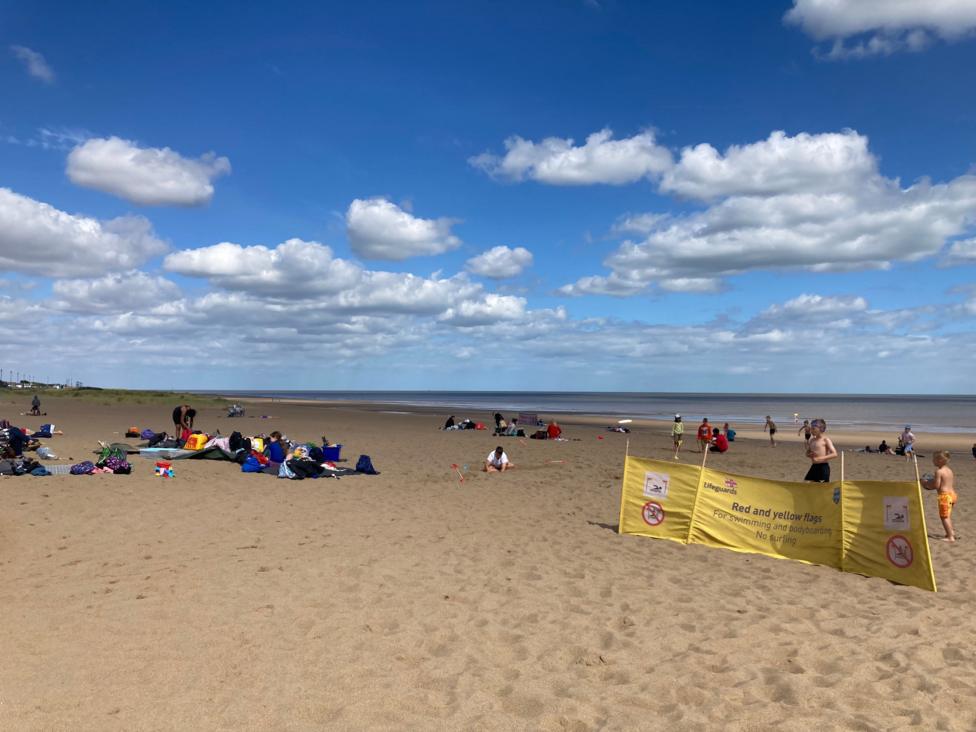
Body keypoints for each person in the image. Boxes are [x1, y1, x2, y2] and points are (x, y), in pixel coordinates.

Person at [922, 451, 957, 542]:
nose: (933, 460)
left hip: (945, 496)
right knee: (947, 515)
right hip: (953, 495)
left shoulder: (939, 471)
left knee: (944, 517)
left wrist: (926, 484)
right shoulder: (949, 470)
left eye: (934, 459)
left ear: (940, 460)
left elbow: (936, 485)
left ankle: (950, 537)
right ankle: (951, 532)